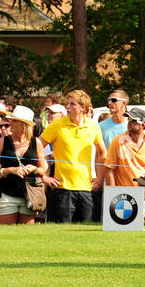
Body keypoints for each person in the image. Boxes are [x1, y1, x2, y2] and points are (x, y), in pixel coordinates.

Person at [40, 90, 106, 223]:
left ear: (83, 107)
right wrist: (44, 176)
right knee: (63, 232)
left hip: (87, 188)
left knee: (86, 230)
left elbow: (103, 153)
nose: (68, 107)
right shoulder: (57, 125)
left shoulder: (93, 125)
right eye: (67, 104)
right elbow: (37, 148)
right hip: (63, 189)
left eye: (72, 104)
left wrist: (100, 178)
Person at [0, 106, 46, 225]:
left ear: (24, 125)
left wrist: (34, 169)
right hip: (6, 194)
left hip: (29, 194)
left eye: (14, 120)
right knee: (7, 233)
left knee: (26, 234)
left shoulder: (36, 143)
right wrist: (10, 170)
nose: (10, 123)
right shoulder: (2, 142)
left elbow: (43, 169)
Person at [105, 107, 145, 188]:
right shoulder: (118, 141)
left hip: (142, 190)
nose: (129, 123)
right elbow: (109, 168)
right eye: (129, 119)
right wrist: (112, 191)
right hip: (122, 191)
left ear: (143, 125)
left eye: (133, 120)